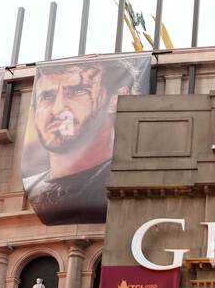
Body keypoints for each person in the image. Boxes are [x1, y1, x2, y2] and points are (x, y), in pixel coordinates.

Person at [24, 58, 148, 225]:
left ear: (117, 99)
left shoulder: (132, 182)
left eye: (77, 91)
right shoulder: (30, 186)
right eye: (47, 96)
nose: (57, 109)